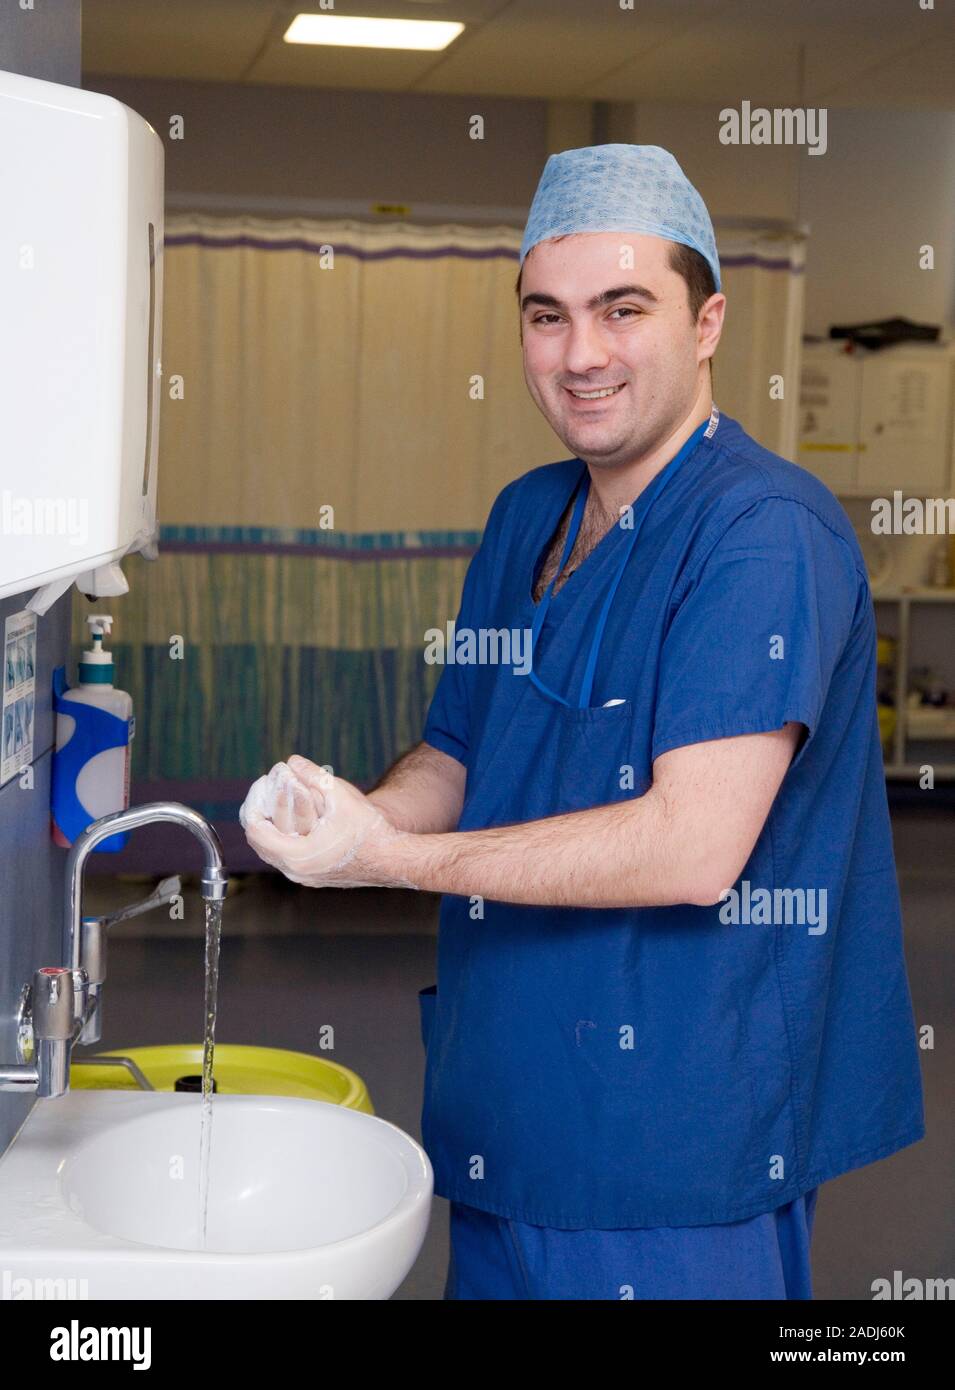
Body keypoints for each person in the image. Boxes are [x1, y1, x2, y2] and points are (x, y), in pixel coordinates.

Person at [243, 144, 925, 1301]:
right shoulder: (527, 519)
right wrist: (356, 811)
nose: (581, 354)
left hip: (674, 1148)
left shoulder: (764, 536)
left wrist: (390, 860)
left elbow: (691, 844)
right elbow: (460, 747)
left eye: (624, 309)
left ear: (707, 322)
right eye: (546, 316)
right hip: (508, 1113)